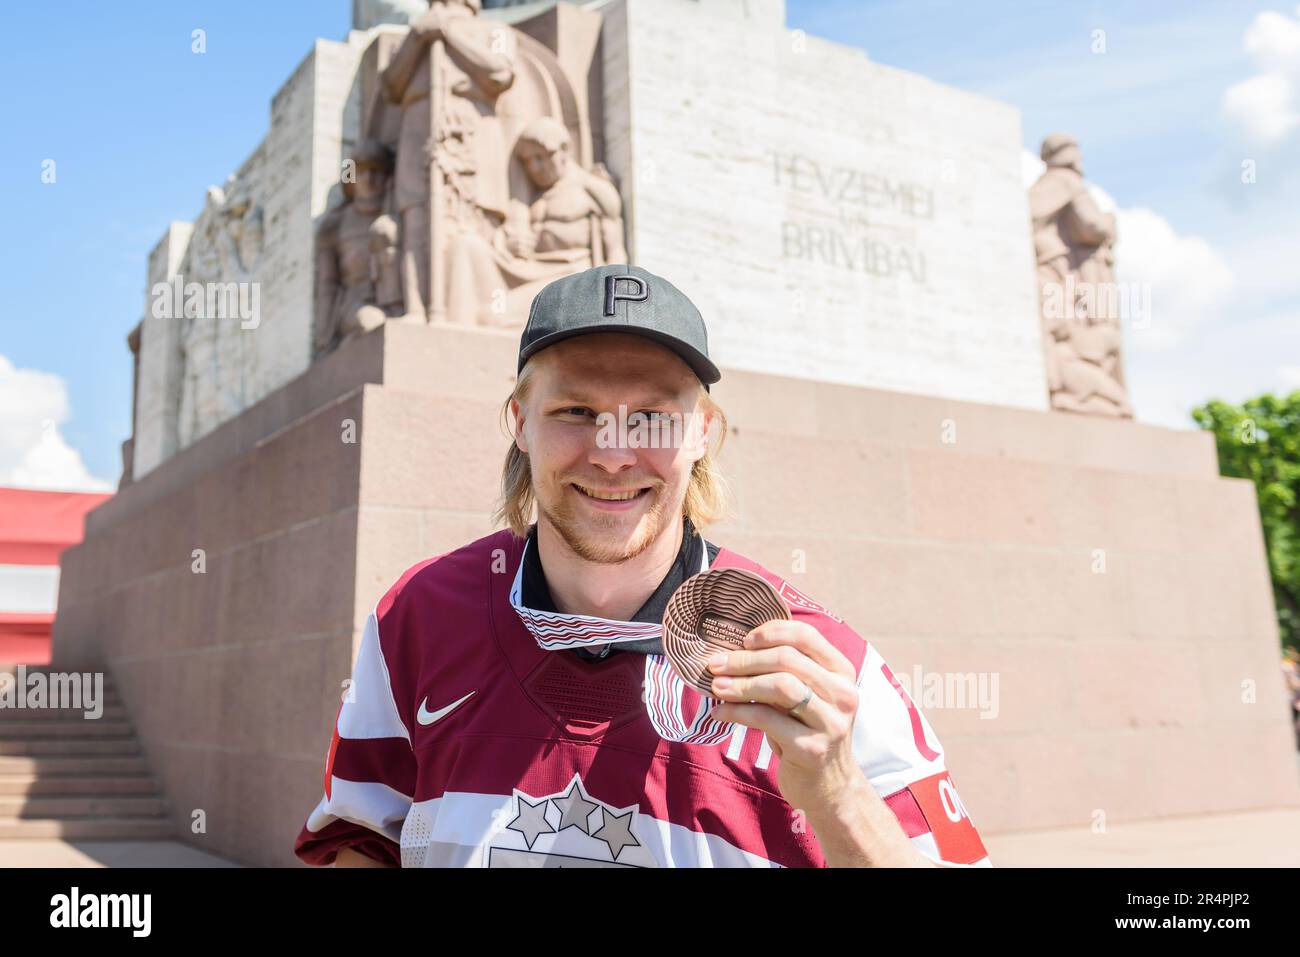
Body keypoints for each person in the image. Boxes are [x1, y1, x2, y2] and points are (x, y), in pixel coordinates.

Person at [293, 264, 992, 868]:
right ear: (519, 420)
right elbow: (363, 837)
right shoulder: (417, 615)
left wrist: (838, 791)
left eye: (653, 416)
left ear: (702, 433)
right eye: (575, 409)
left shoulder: (817, 662)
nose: (613, 453)